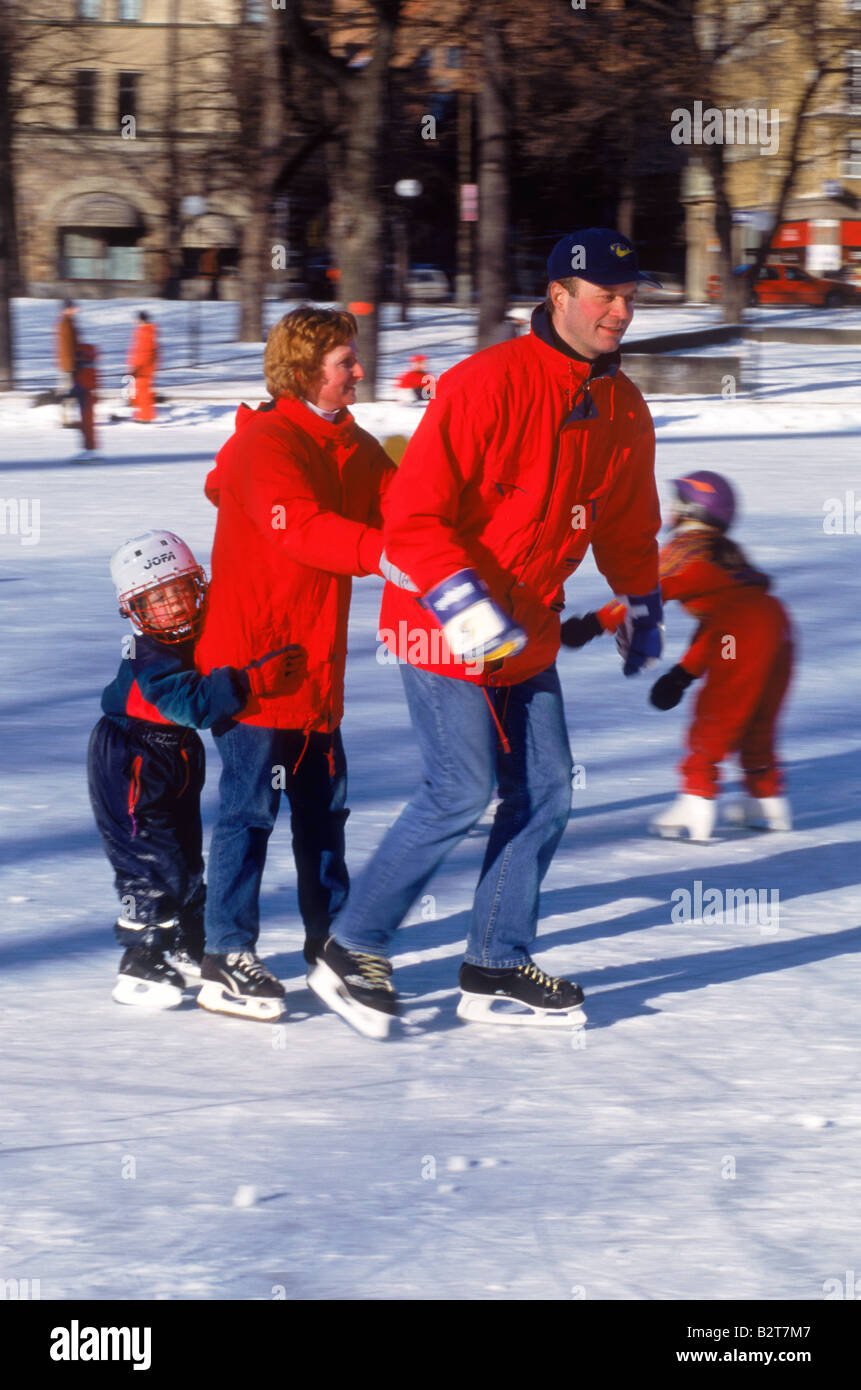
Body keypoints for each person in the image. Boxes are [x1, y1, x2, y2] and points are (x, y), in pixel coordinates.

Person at [307, 227, 665, 1039]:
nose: (620, 311)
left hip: (525, 628)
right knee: (459, 786)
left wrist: (640, 601)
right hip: (440, 620)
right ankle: (351, 946)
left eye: (630, 297)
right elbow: (413, 516)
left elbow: (627, 523)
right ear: (558, 297)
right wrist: (465, 609)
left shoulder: (621, 405)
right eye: (605, 297)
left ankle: (496, 963)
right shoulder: (485, 384)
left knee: (543, 788)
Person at [194, 305, 395, 1021]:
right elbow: (302, 529)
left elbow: (402, 509)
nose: (358, 372)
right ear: (306, 368)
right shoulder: (267, 445)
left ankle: (332, 945)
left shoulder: (354, 445)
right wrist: (381, 552)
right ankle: (224, 954)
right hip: (254, 669)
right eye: (345, 362)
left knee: (325, 812)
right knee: (249, 810)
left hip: (315, 670)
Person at [88, 529, 298, 1012]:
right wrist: (251, 681)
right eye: (155, 600)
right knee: (149, 857)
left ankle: (188, 942)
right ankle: (142, 957)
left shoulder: (203, 625)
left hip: (175, 755)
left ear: (197, 587)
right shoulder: (151, 654)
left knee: (186, 855)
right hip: (131, 757)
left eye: (179, 592)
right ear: (134, 611)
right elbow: (191, 704)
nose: (172, 608)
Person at [564, 471, 794, 843]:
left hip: (743, 629)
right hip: (779, 627)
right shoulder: (728, 555)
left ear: (691, 509)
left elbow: (646, 591)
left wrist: (594, 624)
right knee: (758, 717)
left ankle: (696, 801)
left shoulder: (684, 549)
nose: (670, 509)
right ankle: (766, 799)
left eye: (676, 501)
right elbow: (725, 626)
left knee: (715, 716)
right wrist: (683, 674)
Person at [126, 311, 159, 422]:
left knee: (143, 392)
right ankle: (141, 414)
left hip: (142, 367)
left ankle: (146, 417)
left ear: (141, 320)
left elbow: (144, 352)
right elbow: (137, 351)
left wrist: (137, 367)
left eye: (136, 320)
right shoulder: (142, 331)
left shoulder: (146, 332)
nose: (134, 322)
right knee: (138, 392)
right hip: (139, 366)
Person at [55, 299, 79, 426]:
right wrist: (73, 363)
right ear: (67, 309)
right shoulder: (65, 323)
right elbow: (67, 346)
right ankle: (66, 419)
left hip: (67, 363)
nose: (76, 310)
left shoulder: (67, 322)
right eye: (74, 308)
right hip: (68, 364)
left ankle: (66, 418)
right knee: (68, 392)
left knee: (68, 391)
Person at [74, 340, 99, 460]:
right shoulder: (89, 367)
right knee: (87, 423)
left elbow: (85, 383)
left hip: (86, 395)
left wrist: (77, 389)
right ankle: (89, 449)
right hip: (87, 394)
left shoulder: (84, 368)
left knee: (87, 423)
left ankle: (90, 451)